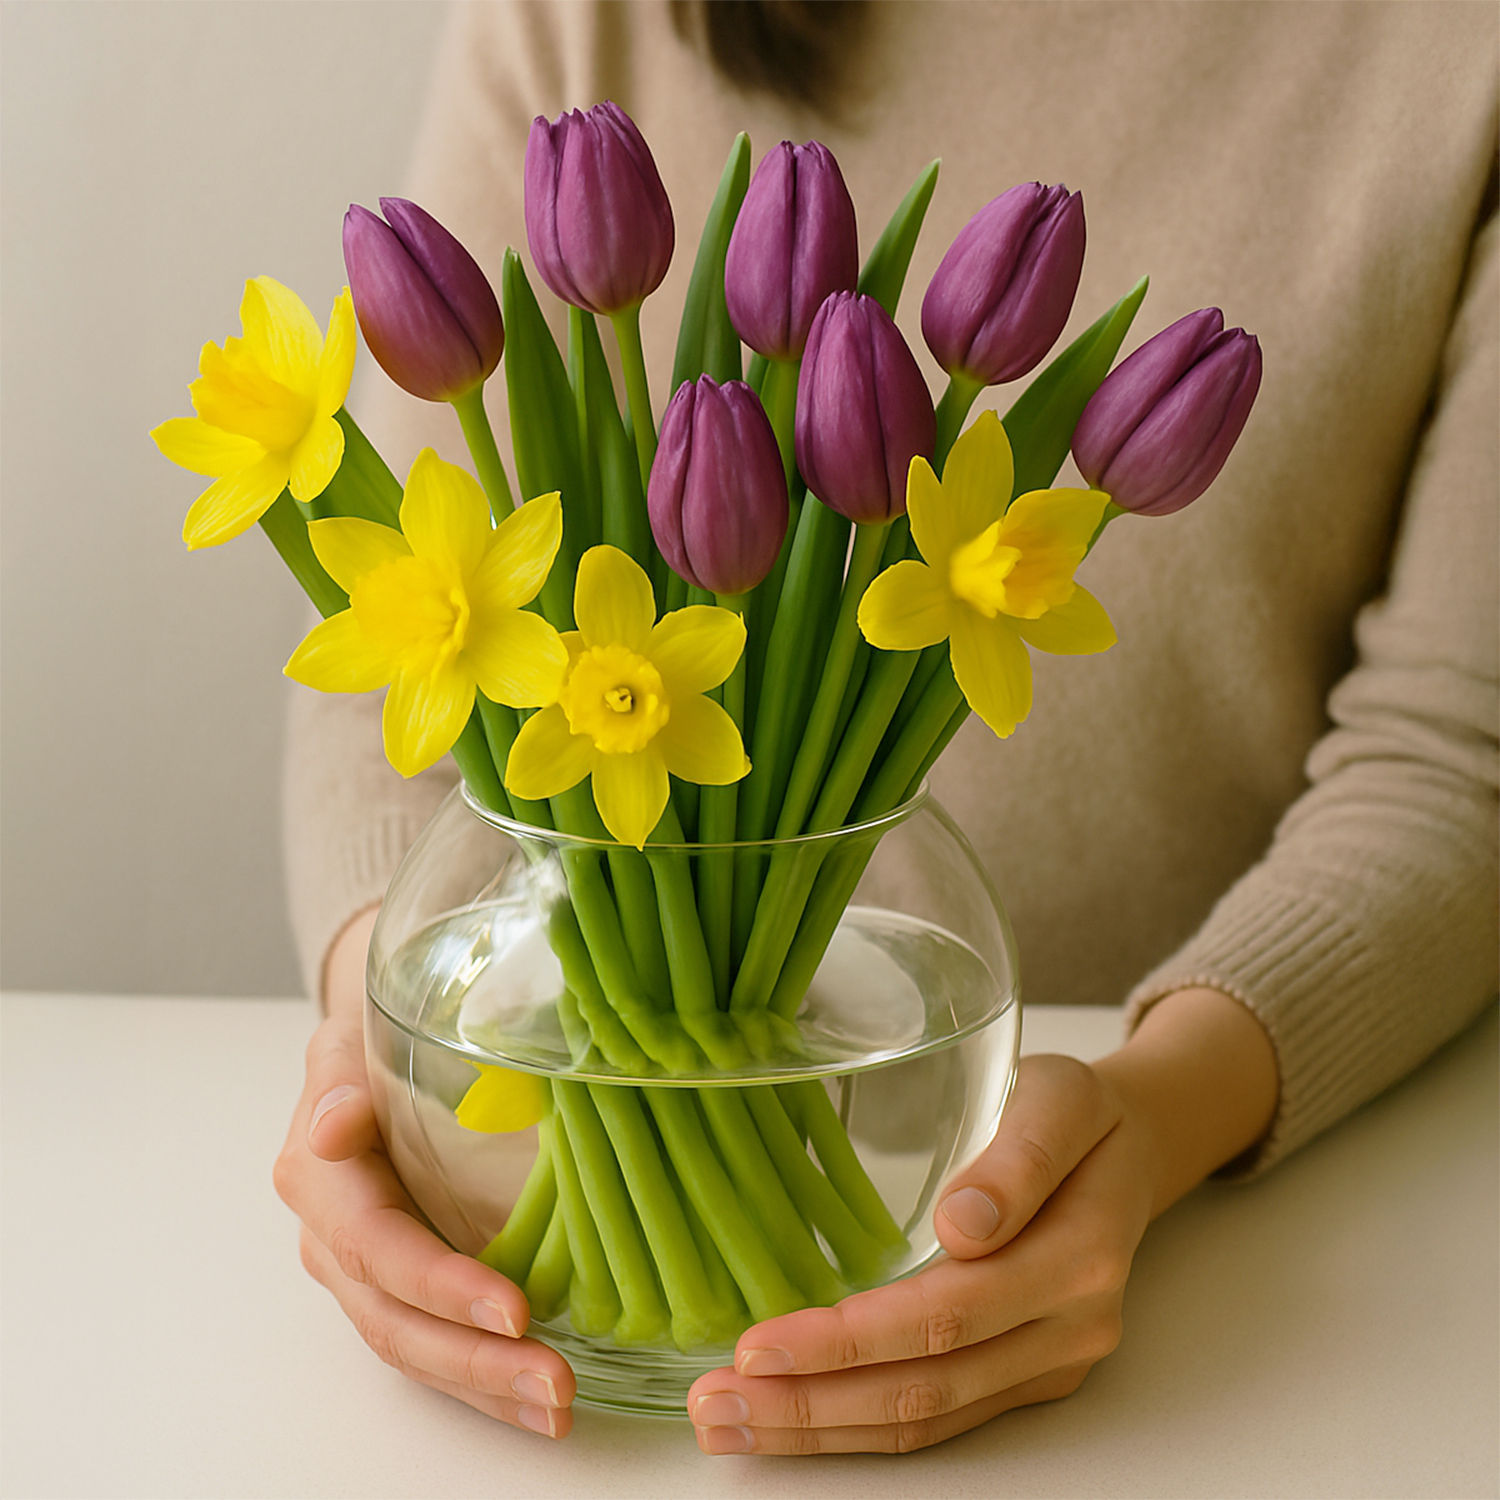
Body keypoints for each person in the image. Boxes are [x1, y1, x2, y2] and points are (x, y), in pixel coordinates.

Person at [271, 0, 1498, 1455]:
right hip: (550, 1202)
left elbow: (1457, 754)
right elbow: (401, 627)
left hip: (1145, 1208)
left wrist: (1154, 1123)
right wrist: (373, 1045)